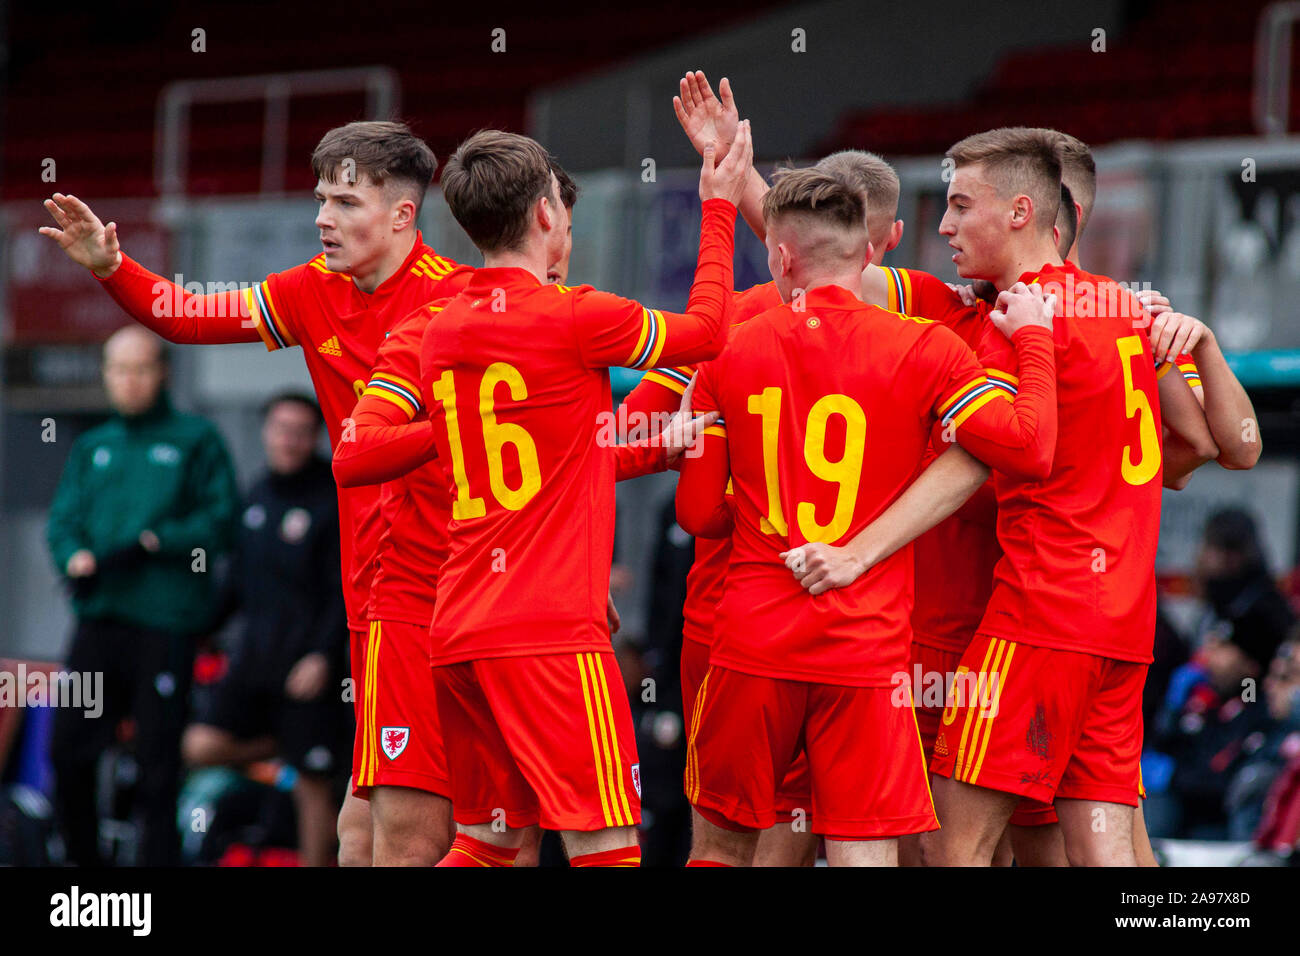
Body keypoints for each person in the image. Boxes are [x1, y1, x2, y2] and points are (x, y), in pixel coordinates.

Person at [40, 120, 472, 865]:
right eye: (319, 199)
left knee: (445, 824)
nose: (321, 219)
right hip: (372, 591)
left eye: (343, 202)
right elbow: (186, 316)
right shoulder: (312, 290)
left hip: (453, 587)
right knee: (360, 827)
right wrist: (111, 267)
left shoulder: (465, 303)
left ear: (404, 215)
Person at [675, 165, 1059, 866]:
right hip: (866, 646)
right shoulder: (928, 347)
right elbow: (1026, 450)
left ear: (782, 257)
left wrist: (750, 486)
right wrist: (1033, 342)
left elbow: (699, 512)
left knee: (724, 846)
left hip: (753, 639)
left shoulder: (729, 354)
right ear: (871, 251)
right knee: (864, 848)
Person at [415, 124, 750, 867]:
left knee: (486, 843)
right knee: (607, 844)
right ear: (544, 214)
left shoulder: (441, 331)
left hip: (462, 625)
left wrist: (648, 450)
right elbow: (707, 331)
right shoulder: (575, 315)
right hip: (548, 633)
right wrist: (720, 206)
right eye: (562, 211)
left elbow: (542, 459)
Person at [46, 325, 239, 865]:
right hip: (99, 619)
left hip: (165, 622)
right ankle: (85, 870)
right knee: (67, 750)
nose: (129, 382)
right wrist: (74, 556)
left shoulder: (196, 439)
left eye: (140, 369)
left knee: (158, 762)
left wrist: (159, 541)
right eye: (118, 370)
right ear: (106, 377)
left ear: (162, 374)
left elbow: (222, 520)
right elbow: (62, 522)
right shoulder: (94, 446)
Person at [182, 392, 351, 867]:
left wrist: (321, 655)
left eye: (300, 431)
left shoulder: (332, 496)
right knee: (197, 746)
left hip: (307, 672)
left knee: (313, 784)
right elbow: (234, 584)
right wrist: (195, 629)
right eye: (281, 429)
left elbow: (345, 589)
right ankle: (280, 745)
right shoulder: (255, 495)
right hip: (254, 666)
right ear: (266, 432)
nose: (290, 440)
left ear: (315, 436)